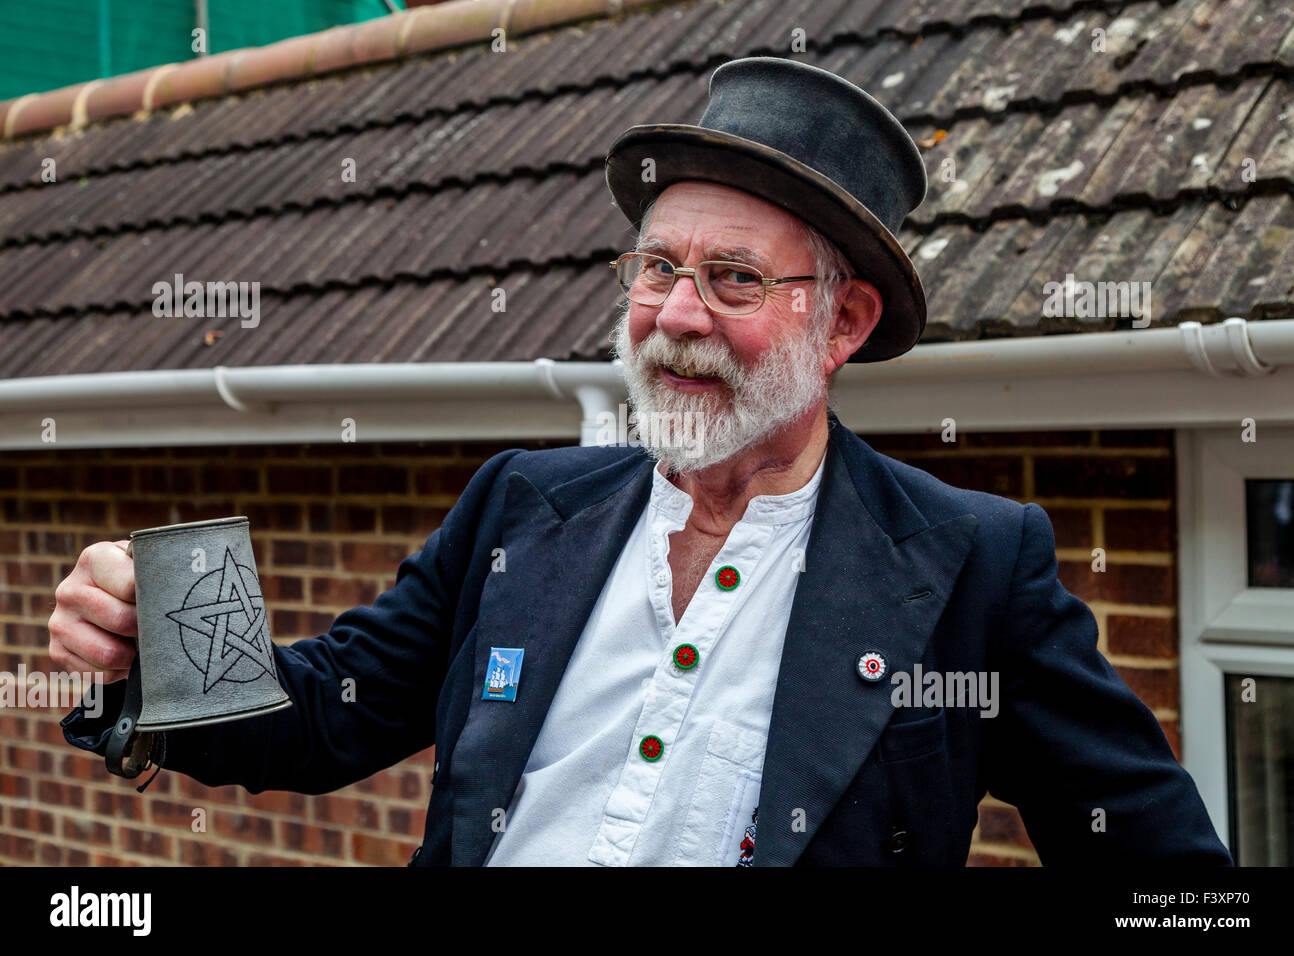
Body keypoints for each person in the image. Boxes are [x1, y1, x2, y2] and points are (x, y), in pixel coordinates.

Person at [50, 56, 1231, 866]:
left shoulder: (974, 564)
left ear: (847, 323)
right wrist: (148, 641)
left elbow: (1155, 860)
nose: (676, 315)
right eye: (657, 268)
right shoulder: (522, 505)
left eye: (735, 278)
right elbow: (321, 718)